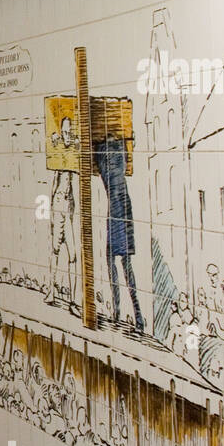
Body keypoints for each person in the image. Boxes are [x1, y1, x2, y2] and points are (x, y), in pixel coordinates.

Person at [96, 134, 144, 333]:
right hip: (124, 210)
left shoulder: (102, 155)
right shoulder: (121, 154)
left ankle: (118, 312)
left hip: (117, 213)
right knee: (125, 264)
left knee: (113, 261)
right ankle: (136, 315)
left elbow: (98, 161)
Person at [47, 115, 79, 309]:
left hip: (68, 207)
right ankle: (51, 290)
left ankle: (73, 300)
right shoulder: (58, 155)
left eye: (69, 132)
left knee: (73, 254)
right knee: (55, 249)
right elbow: (53, 185)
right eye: (64, 131)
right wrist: (52, 212)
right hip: (59, 206)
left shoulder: (72, 152)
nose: (67, 135)